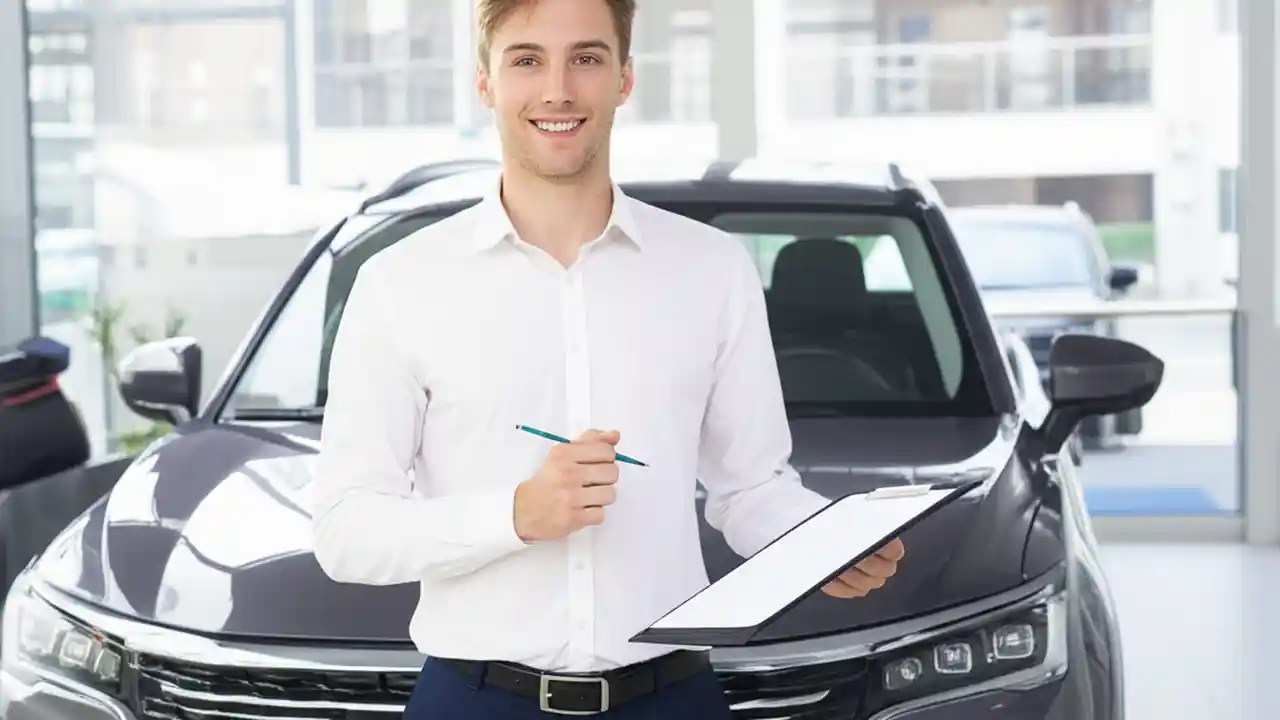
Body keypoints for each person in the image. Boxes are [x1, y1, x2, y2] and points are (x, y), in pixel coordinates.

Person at [311, 0, 905, 716]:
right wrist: (517, 513)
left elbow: (750, 493)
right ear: (484, 82)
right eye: (527, 59)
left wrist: (823, 545)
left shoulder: (710, 270)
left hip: (671, 694)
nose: (558, 89)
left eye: (586, 59)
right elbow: (346, 532)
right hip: (475, 700)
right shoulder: (402, 283)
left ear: (624, 78)